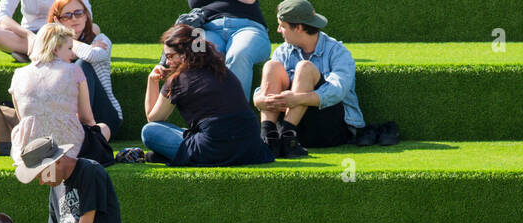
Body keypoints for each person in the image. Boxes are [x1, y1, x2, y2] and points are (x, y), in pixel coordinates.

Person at [141, 23, 273, 166]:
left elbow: (153, 118)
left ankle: (174, 156)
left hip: (215, 149)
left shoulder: (177, 80)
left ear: (185, 54)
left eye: (170, 56)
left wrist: (152, 81)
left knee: (149, 131)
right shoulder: (222, 70)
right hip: (251, 147)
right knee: (185, 132)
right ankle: (168, 156)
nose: (167, 62)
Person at [253, 0, 364, 158]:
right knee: (271, 66)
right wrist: (259, 100)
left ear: (298, 28)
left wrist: (297, 99)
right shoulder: (282, 52)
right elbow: (265, 88)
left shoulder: (338, 52)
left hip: (329, 129)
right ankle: (268, 138)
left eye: (282, 26)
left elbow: (338, 90)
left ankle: (287, 137)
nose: (278, 30)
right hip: (293, 125)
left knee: (305, 67)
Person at [10, 22, 112, 167]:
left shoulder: (18, 74)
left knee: (18, 129)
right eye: (69, 48)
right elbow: (87, 119)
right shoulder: (74, 70)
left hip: (31, 150)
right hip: (69, 149)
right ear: (55, 48)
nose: (72, 54)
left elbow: (23, 118)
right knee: (103, 129)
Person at [47, 0, 122, 137]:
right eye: (67, 16)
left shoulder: (101, 40)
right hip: (65, 115)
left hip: (104, 116)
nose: (74, 19)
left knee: (82, 65)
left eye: (78, 13)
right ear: (57, 20)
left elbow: (91, 54)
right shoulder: (53, 47)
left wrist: (66, 39)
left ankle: (79, 128)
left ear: (86, 16)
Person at [187, 0, 273, 95]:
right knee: (198, 53)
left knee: (239, 53)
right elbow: (194, 3)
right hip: (207, 28)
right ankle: (205, 108)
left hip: (248, 26)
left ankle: (237, 109)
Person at [0, 0, 92, 61]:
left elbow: (87, 14)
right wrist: (28, 35)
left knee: (94, 28)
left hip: (60, 33)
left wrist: (66, 31)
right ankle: (60, 52)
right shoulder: (29, 35)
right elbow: (2, 16)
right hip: (29, 36)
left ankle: (36, 54)